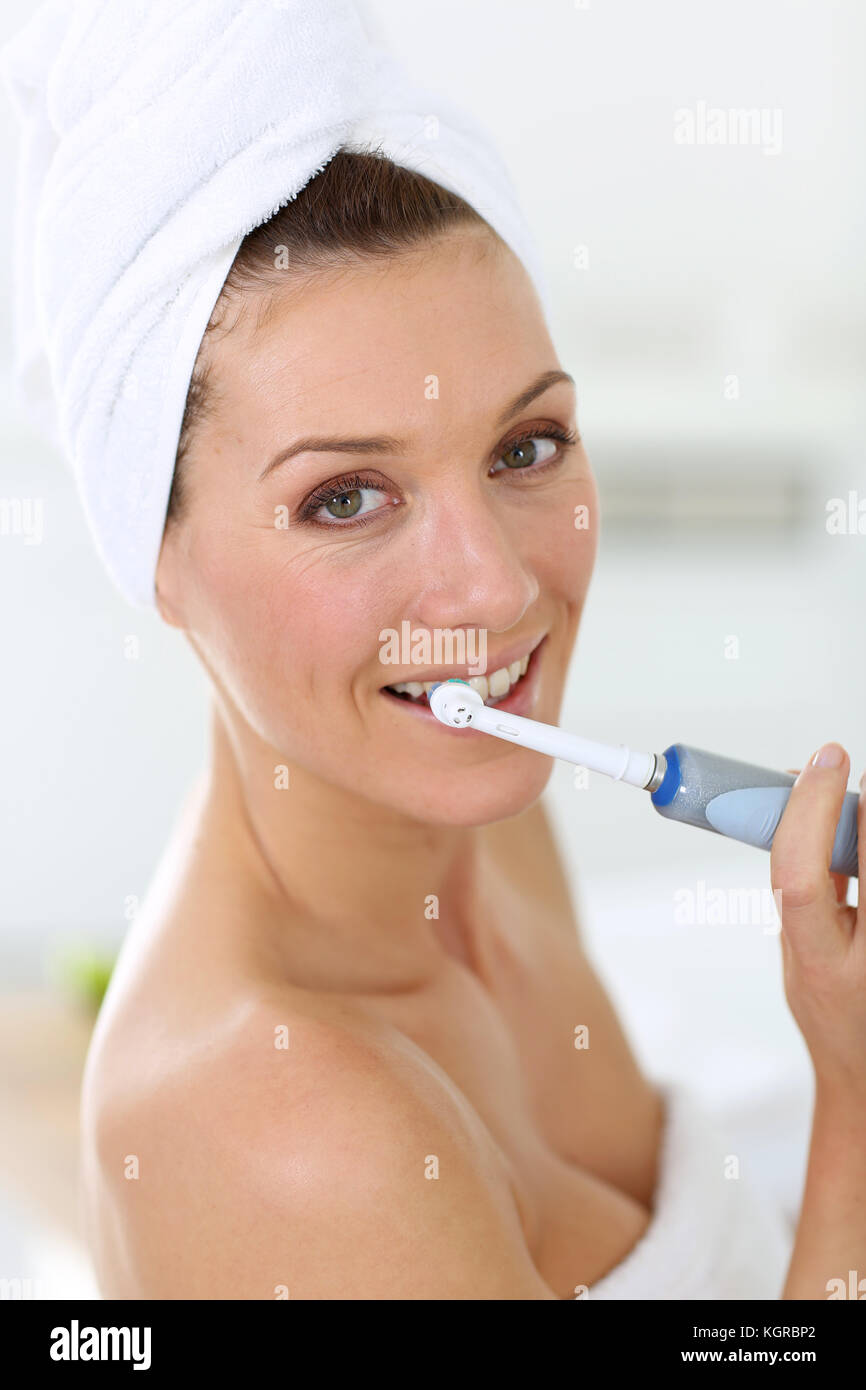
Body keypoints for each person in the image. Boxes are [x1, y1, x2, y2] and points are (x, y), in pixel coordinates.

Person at [78, 149, 866, 1300]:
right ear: (155, 559)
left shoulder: (476, 807)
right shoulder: (288, 1129)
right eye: (344, 497)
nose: (494, 591)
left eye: (523, 447)